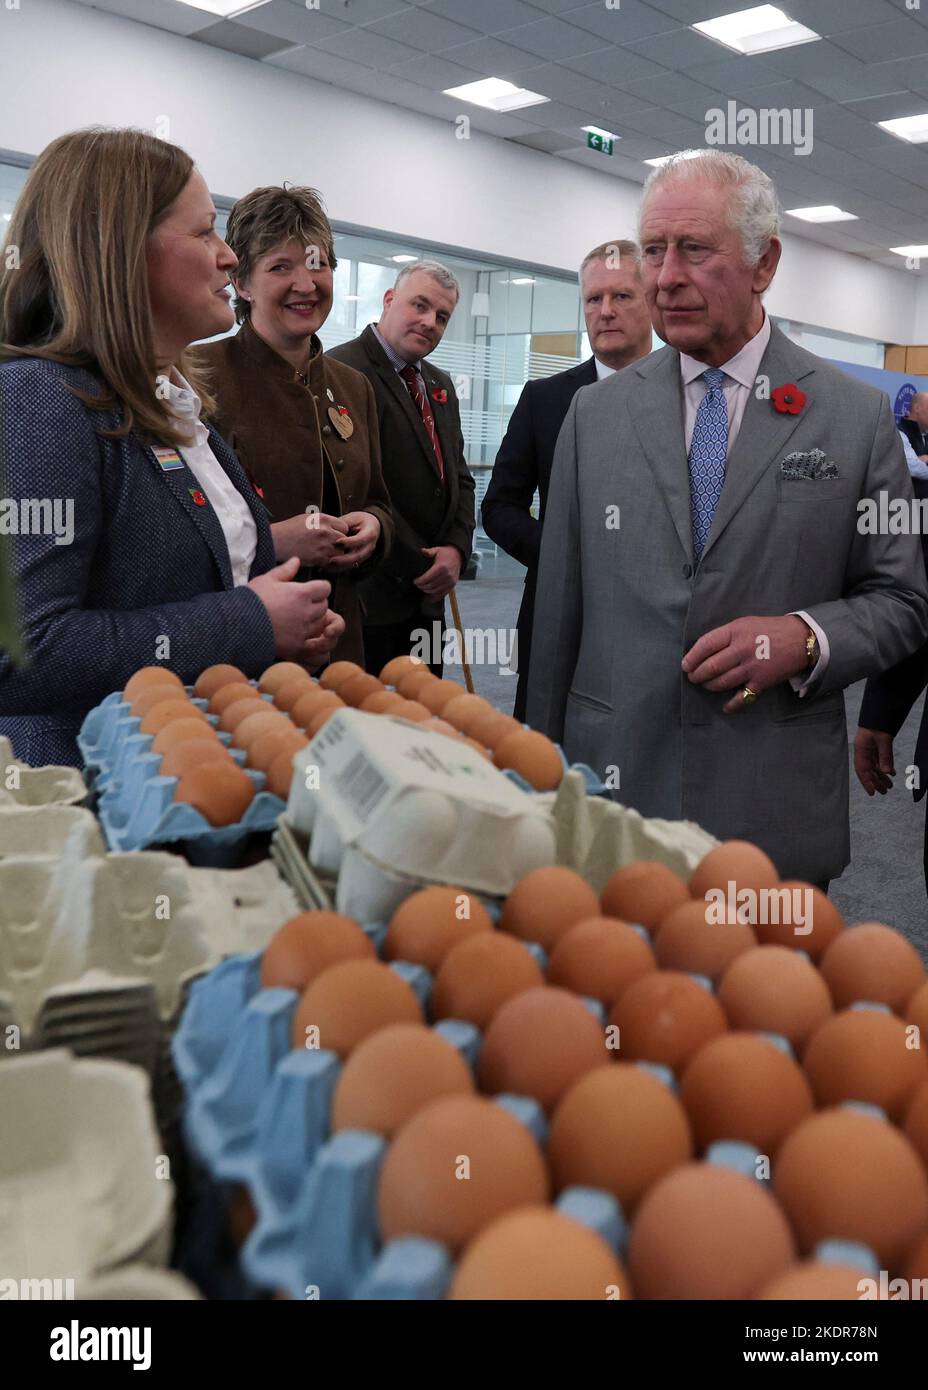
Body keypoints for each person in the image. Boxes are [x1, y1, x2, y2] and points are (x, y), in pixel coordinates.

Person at [527, 149, 928, 885]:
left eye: (695, 249)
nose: (665, 276)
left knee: (767, 1000)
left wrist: (803, 639)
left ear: (764, 263)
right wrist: (539, 783)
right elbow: (558, 615)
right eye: (653, 250)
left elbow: (901, 602)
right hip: (616, 790)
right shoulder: (595, 413)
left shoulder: (853, 417)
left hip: (769, 804)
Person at [0, 128, 342, 768]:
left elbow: (217, 570)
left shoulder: (171, 399)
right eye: (206, 232)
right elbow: (24, 653)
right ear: (122, 251)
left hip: (200, 758)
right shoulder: (37, 400)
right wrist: (250, 622)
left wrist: (287, 621)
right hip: (96, 793)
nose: (228, 258)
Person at [194, 185, 393, 667]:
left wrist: (374, 528)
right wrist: (275, 540)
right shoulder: (196, 376)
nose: (306, 284)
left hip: (340, 637)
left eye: (317, 264)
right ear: (241, 283)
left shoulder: (354, 386)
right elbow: (179, 537)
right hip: (245, 647)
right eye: (280, 267)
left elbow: (380, 501)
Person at [482, 239, 653, 720]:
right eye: (594, 299)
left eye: (622, 296)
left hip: (656, 628)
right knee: (542, 767)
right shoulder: (544, 399)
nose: (605, 311)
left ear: (653, 301)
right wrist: (563, 554)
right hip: (557, 620)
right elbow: (499, 509)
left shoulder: (691, 400)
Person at [328, 261, 475, 676]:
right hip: (371, 596)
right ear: (389, 300)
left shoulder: (439, 383)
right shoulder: (342, 372)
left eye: (442, 316)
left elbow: (458, 477)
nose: (430, 323)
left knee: (423, 721)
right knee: (373, 724)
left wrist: (458, 550)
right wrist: (423, 562)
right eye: (420, 306)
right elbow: (352, 487)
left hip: (429, 600)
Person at [897, 391, 928, 480]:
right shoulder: (900, 432)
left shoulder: (925, 433)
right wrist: (918, 461)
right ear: (917, 408)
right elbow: (913, 468)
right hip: (900, 493)